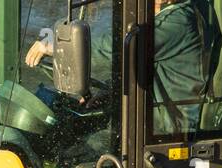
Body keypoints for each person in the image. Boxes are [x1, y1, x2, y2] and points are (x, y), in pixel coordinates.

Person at [24, 0, 209, 134]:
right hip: (153, 116)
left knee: (94, 148)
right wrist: (111, 90)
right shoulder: (176, 13)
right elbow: (142, 63)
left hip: (167, 130)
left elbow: (119, 49)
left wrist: (57, 47)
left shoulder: (179, 21)